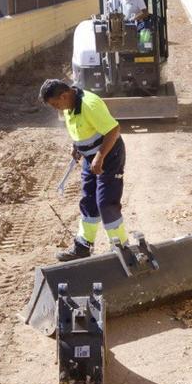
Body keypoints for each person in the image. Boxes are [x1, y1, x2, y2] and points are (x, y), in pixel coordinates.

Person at [39, 78, 127, 261]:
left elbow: (113, 130)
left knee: (105, 202)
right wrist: (77, 145)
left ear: (64, 95)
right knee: (88, 200)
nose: (57, 109)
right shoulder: (70, 105)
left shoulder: (89, 104)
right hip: (91, 158)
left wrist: (100, 156)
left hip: (109, 156)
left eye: (56, 104)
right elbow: (81, 129)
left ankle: (121, 248)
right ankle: (83, 246)